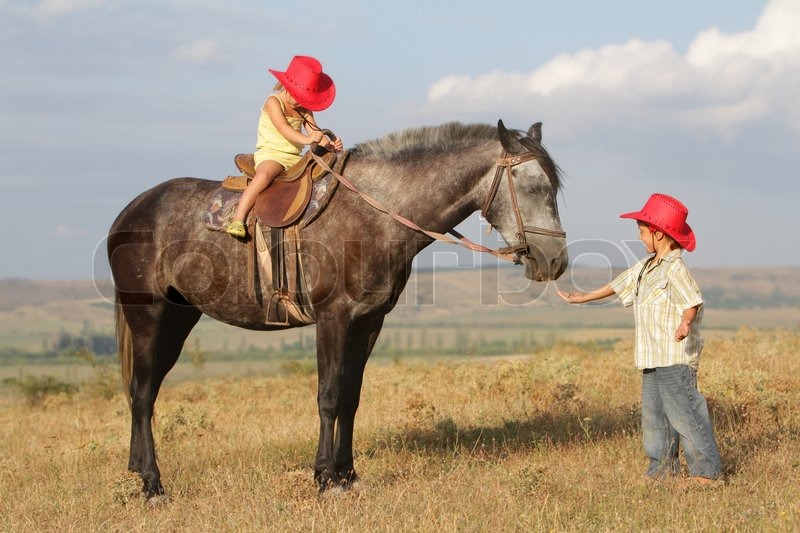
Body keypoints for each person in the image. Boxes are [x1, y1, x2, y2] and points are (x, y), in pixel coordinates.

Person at [558, 193, 722, 485]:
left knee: (685, 415)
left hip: (674, 357)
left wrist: (685, 324)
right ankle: (661, 472)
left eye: (642, 231)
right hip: (651, 358)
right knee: (655, 420)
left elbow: (691, 301)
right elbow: (618, 284)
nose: (640, 236)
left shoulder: (675, 267)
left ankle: (706, 474)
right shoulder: (646, 267)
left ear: (658, 233)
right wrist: (583, 297)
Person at [226, 55, 343, 238]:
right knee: (264, 176)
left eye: (305, 98)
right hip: (272, 154)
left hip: (295, 158)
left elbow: (315, 131)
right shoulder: (273, 102)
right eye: (298, 97)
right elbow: (284, 129)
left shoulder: (304, 108)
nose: (299, 102)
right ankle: (238, 218)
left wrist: (330, 144)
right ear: (286, 86)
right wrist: (307, 139)